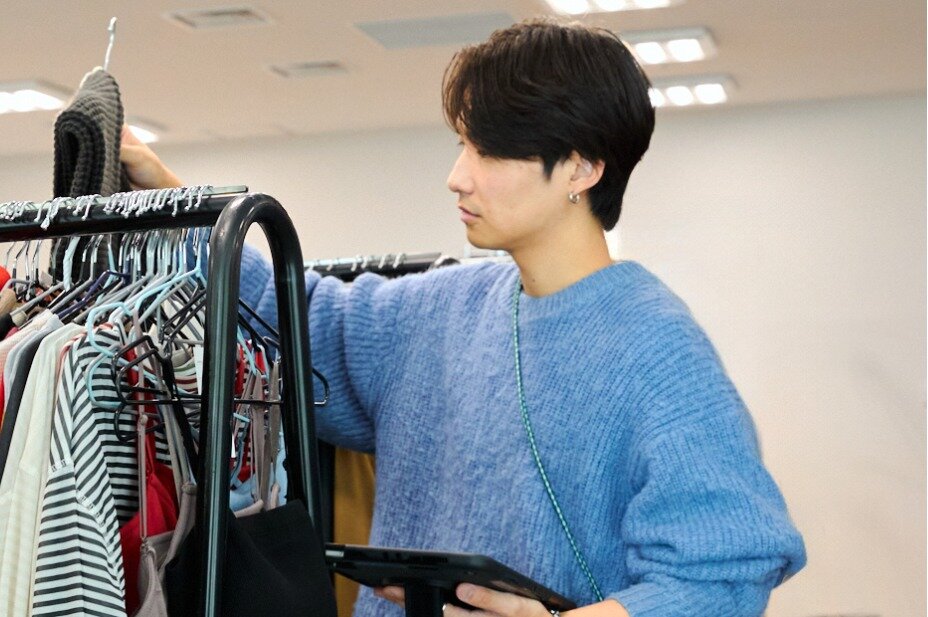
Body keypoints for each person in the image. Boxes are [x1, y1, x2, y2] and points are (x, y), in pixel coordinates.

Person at [122, 18, 806, 617]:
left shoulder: (658, 348)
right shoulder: (445, 304)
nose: (458, 176)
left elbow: (726, 570)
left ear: (581, 168)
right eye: (462, 144)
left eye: (489, 150)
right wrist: (182, 206)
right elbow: (297, 323)